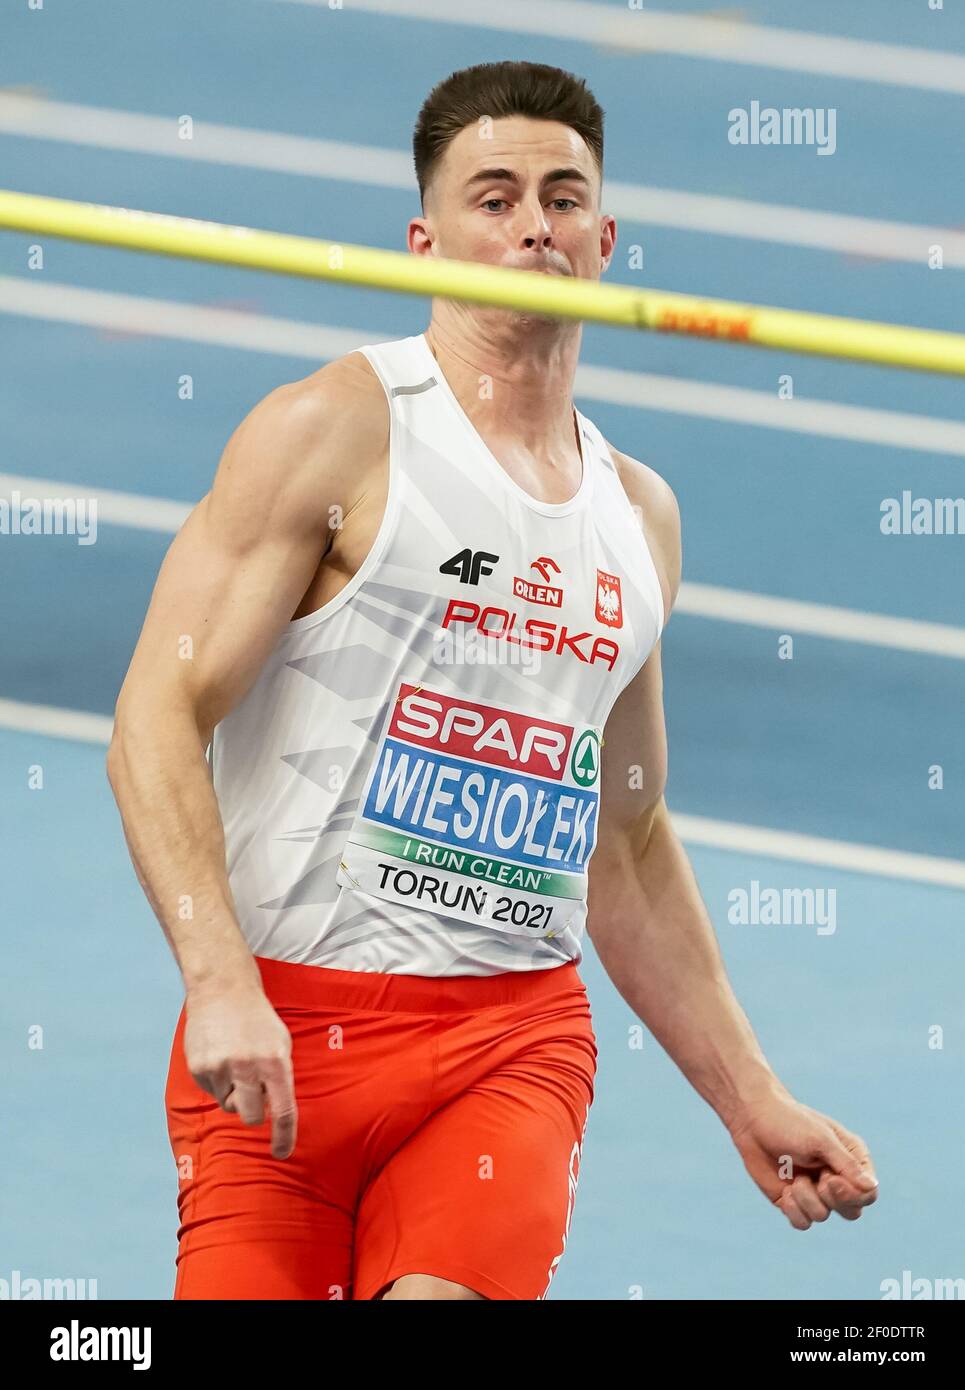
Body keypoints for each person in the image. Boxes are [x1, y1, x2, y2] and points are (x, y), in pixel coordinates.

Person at [107, 60, 878, 1302]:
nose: (535, 225)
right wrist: (217, 981)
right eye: (496, 196)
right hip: (288, 1031)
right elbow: (155, 717)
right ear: (427, 238)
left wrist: (750, 1096)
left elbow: (623, 835)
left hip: (508, 1041)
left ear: (606, 240)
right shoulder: (334, 429)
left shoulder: (639, 516)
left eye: (565, 199)